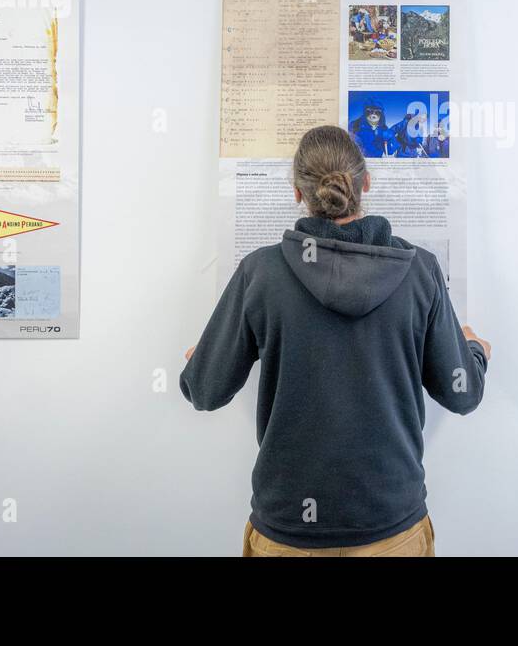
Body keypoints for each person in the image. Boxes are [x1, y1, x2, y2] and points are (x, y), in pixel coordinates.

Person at [180, 125, 490, 557]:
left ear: (296, 192)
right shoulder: (420, 272)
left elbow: (205, 390)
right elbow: (463, 395)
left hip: (288, 531)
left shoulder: (261, 273)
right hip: (391, 528)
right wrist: (474, 349)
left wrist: (204, 361)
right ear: (366, 183)